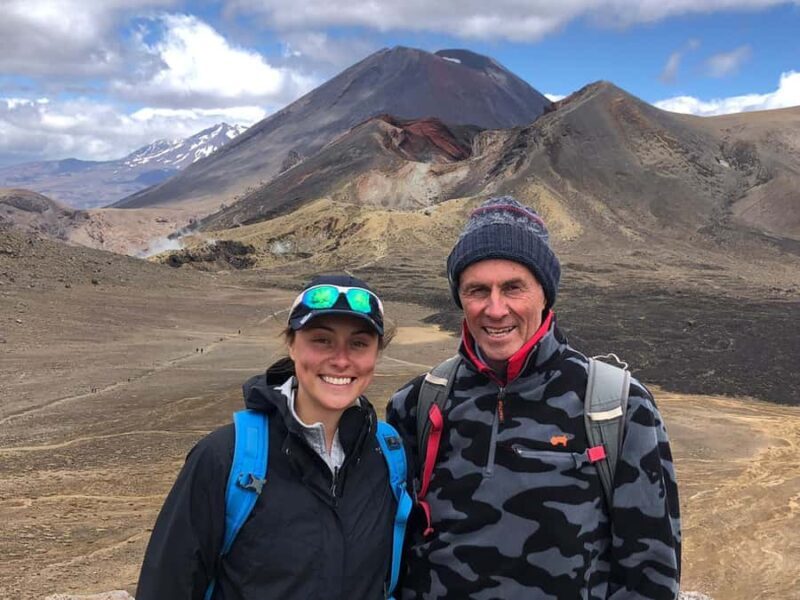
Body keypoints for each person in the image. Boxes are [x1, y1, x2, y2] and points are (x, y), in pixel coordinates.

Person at [387, 196, 681, 599]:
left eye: (513, 288)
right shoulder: (417, 404)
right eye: (477, 290)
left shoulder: (619, 407)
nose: (495, 309)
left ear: (545, 294)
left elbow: (649, 579)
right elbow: (389, 553)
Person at [138, 274, 406, 599]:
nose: (340, 360)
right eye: (321, 340)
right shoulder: (225, 457)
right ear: (291, 345)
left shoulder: (389, 454)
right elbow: (167, 586)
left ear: (376, 354)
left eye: (359, 343)